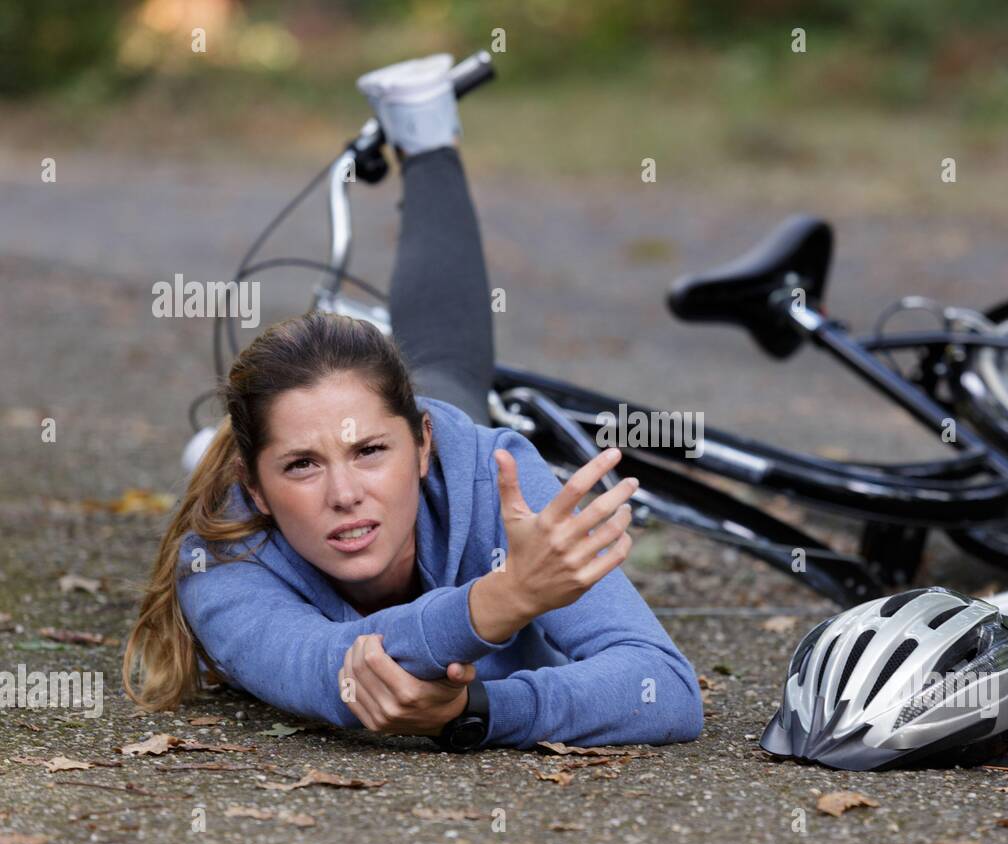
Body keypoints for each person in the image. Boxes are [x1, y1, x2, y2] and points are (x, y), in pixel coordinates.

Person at [122, 53, 704, 752]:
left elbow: (666, 691)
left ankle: (427, 136)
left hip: (445, 418)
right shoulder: (221, 555)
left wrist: (478, 709)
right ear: (257, 489)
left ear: (422, 445)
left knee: (447, 370)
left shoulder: (492, 472)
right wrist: (504, 602)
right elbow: (319, 667)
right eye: (302, 466)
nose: (345, 494)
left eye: (370, 452)